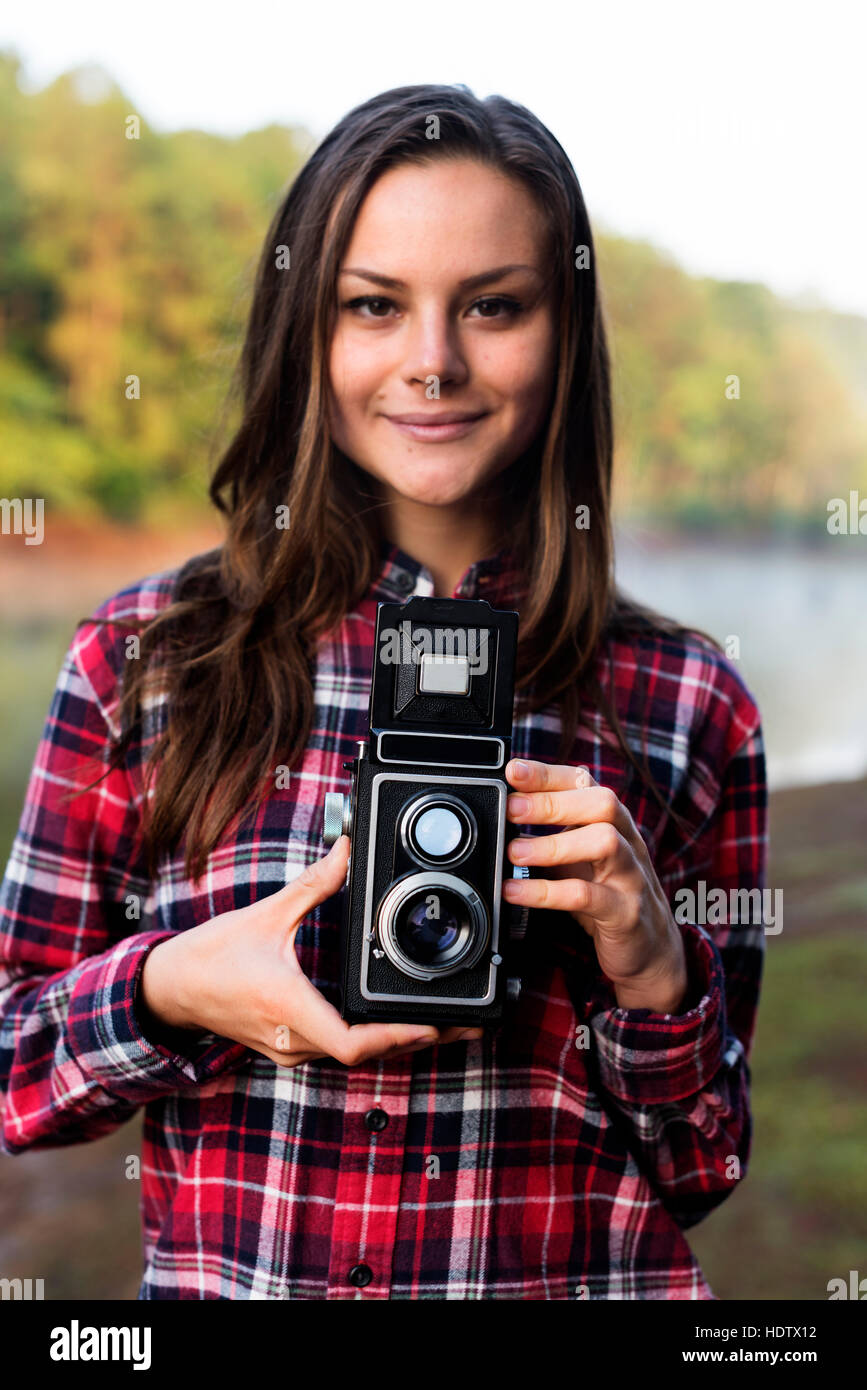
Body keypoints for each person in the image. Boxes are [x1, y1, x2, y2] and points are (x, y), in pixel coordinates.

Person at [0, 83, 767, 1300]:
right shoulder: (143, 657)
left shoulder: (686, 695)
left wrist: (655, 964)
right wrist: (170, 984)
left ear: (565, 330)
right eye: (374, 305)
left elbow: (703, 1161)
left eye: (494, 306)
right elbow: (13, 1070)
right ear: (308, 324)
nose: (433, 362)